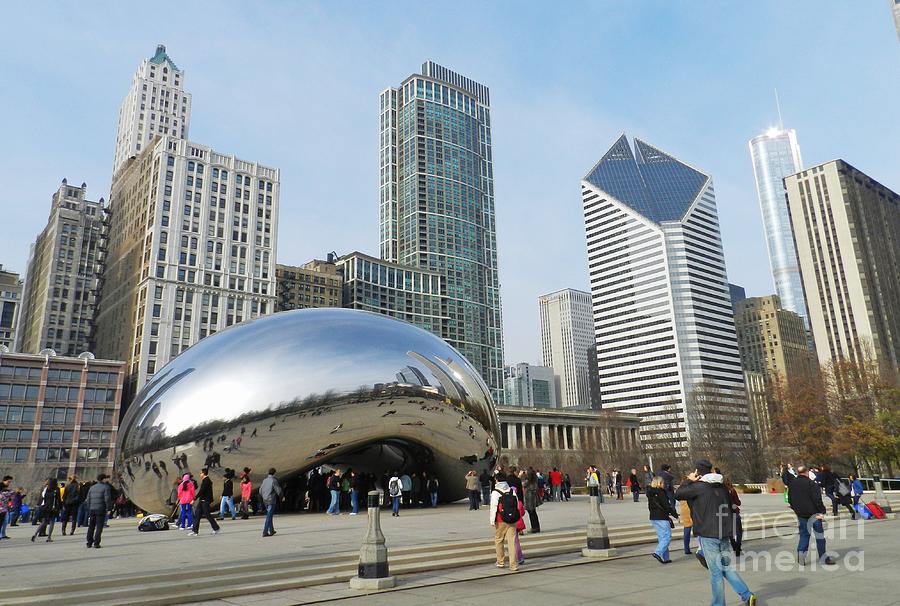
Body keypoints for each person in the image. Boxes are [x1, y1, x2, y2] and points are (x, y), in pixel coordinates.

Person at [676, 459, 757, 606]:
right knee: (726, 568)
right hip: (724, 533)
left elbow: (678, 494)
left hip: (708, 534)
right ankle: (747, 595)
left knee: (716, 573)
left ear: (697, 472)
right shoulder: (722, 487)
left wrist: (689, 480)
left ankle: (718, 604)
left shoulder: (699, 487)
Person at [787, 465, 835, 566]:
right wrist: (822, 511)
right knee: (820, 537)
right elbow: (817, 500)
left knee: (804, 535)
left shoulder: (792, 484)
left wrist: (796, 509)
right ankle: (823, 558)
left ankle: (801, 557)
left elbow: (790, 499)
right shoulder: (811, 484)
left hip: (801, 514)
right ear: (807, 472)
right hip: (814, 514)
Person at [489, 472, 519, 572]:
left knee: (498, 540)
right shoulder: (511, 490)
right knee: (512, 542)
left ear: (497, 480)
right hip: (512, 520)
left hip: (500, 519)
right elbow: (517, 504)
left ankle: (501, 561)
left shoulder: (495, 492)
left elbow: (493, 507)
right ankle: (513, 565)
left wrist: (492, 520)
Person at [647, 476, 678, 564]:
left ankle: (665, 557)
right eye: (663, 483)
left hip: (653, 517)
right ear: (659, 483)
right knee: (667, 537)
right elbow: (666, 505)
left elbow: (650, 507)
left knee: (662, 537)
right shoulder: (661, 492)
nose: (664, 484)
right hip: (662, 517)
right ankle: (658, 552)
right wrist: (675, 515)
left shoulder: (650, 493)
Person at [190, 467, 221, 536]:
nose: (200, 474)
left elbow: (202, 491)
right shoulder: (205, 480)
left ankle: (216, 528)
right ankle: (195, 531)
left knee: (207, 515)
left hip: (205, 500)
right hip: (202, 500)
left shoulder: (207, 481)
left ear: (204, 473)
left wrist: (194, 499)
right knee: (197, 515)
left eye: (201, 473)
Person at [85, 474, 113, 548]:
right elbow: (107, 499)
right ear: (103, 479)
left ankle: (89, 542)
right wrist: (109, 508)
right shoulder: (106, 487)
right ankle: (96, 543)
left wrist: (89, 508)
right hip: (100, 509)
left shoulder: (92, 488)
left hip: (92, 509)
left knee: (91, 526)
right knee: (99, 526)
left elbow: (88, 499)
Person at [32, 478, 62, 543]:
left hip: (46, 507)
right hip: (53, 508)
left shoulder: (46, 489)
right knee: (52, 522)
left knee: (44, 522)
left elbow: (43, 498)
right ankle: (49, 537)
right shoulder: (57, 489)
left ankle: (35, 534)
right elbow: (58, 499)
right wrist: (60, 507)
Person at [260, 468, 283, 537]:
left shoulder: (265, 480)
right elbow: (278, 490)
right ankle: (265, 531)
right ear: (274, 473)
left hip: (265, 500)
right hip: (271, 500)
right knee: (269, 516)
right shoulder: (274, 480)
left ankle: (271, 530)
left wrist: (264, 496)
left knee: (269, 515)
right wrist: (282, 496)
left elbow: (260, 490)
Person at [724, 476, 743, 556]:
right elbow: (738, 502)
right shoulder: (732, 491)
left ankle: (733, 545)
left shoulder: (722, 493)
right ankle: (738, 546)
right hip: (735, 512)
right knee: (739, 531)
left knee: (731, 531)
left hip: (727, 513)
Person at [524, 468, 541, 533]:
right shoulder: (535, 478)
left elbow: (523, 484)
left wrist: (522, 476)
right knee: (533, 513)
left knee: (531, 513)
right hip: (533, 497)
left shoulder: (528, 480)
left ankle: (534, 527)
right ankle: (536, 527)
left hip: (529, 498)